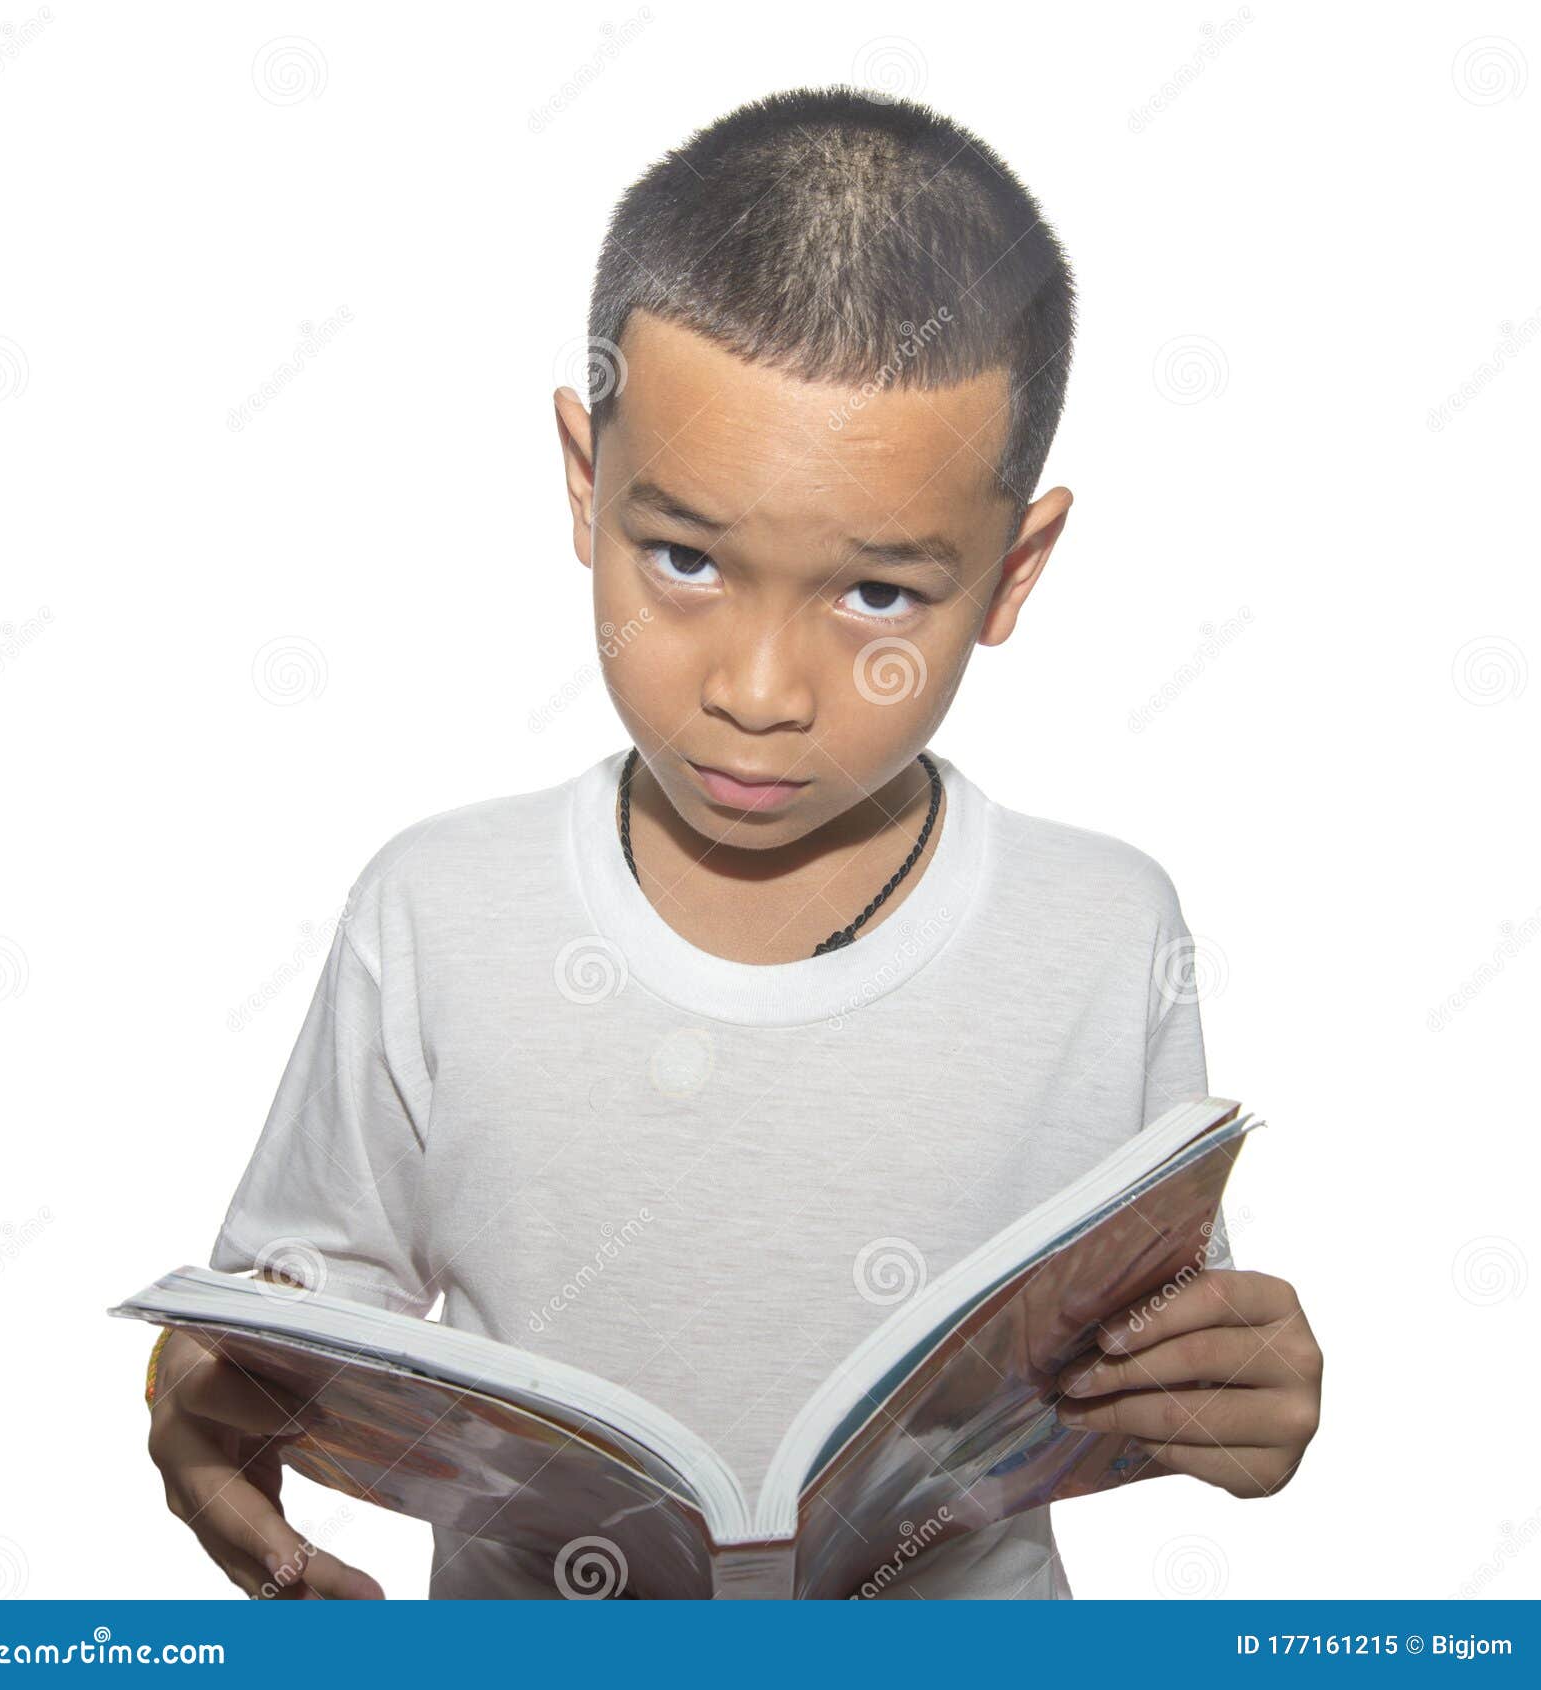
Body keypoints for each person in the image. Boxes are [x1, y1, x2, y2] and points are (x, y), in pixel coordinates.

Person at [143, 84, 1322, 1600]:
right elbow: (290, 1312)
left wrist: (1247, 1385)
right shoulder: (438, 910)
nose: (756, 693)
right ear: (587, 485)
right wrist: (203, 1382)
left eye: (879, 595)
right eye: (684, 557)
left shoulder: (1105, 927)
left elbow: (1142, 1346)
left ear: (1014, 570)